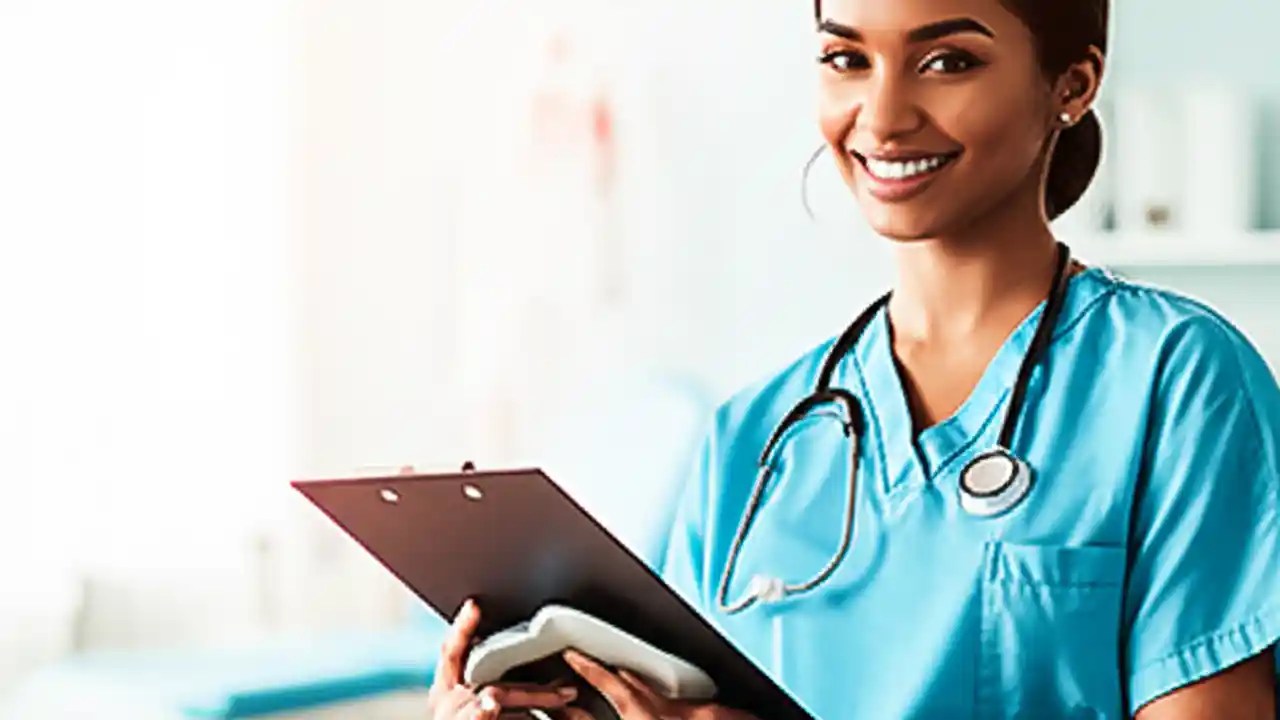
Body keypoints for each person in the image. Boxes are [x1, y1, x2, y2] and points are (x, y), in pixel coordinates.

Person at [427, 0, 1280, 717]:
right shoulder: (751, 442)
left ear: (1073, 82)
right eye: (845, 58)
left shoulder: (1177, 382)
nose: (883, 115)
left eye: (947, 61)